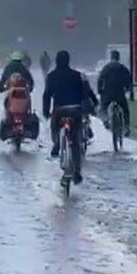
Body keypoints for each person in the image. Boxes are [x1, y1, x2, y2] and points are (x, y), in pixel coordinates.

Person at [42, 50, 99, 182]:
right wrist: (92, 104)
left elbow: (47, 95)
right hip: (75, 111)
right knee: (76, 141)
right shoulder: (77, 75)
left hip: (59, 111)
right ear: (68, 60)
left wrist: (46, 112)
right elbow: (86, 92)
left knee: (55, 127)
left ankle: (57, 142)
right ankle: (77, 170)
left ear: (56, 61)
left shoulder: (51, 76)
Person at [97, 49, 133, 123]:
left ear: (111, 57)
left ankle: (105, 121)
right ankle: (127, 126)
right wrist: (130, 92)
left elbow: (100, 80)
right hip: (119, 94)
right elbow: (129, 80)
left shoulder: (106, 68)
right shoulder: (123, 68)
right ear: (118, 58)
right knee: (125, 110)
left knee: (103, 107)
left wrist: (99, 91)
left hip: (107, 94)